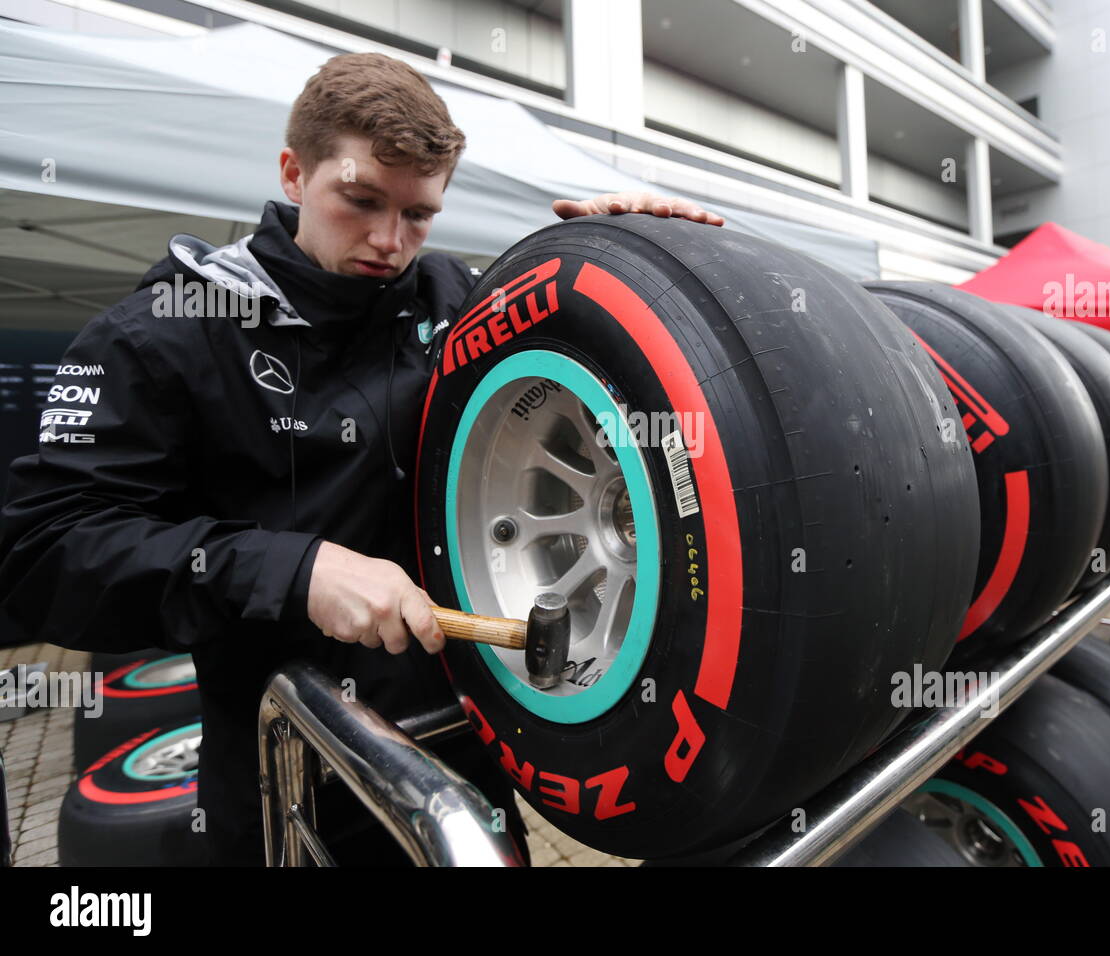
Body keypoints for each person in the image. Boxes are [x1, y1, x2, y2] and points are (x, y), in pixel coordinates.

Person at [0, 51, 722, 866]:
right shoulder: (164, 332)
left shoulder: (458, 303)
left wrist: (628, 249)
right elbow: (40, 554)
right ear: (294, 173)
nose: (390, 241)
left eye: (419, 214)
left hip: (458, 780)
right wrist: (294, 571)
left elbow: (601, 348)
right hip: (285, 787)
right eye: (362, 201)